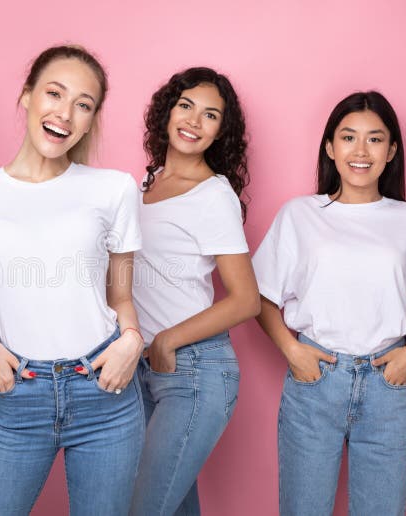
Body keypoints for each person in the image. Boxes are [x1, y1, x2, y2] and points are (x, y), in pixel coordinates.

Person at [0, 45, 144, 516]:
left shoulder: (114, 189)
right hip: (18, 394)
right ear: (26, 95)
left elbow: (121, 295)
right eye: (54, 93)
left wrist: (132, 340)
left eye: (83, 104)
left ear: (92, 118)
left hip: (104, 391)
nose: (65, 113)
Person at [253, 91, 406, 515]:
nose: (361, 151)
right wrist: (292, 350)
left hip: (387, 386)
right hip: (316, 381)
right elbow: (259, 298)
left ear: (392, 150)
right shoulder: (300, 215)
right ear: (330, 146)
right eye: (348, 137)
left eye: (375, 139)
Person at [129, 67, 260, 516]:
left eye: (210, 115)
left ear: (220, 131)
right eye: (186, 106)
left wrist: (168, 339)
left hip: (193, 370)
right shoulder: (145, 185)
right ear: (167, 113)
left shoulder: (212, 195)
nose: (193, 120)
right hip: (142, 368)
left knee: (140, 506)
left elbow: (246, 299)